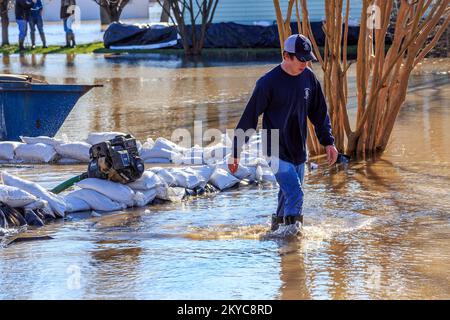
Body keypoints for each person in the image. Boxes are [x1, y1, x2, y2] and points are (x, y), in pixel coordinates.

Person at [229, 34, 338, 237]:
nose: (305, 63)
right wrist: (235, 151)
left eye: (307, 59)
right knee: (295, 194)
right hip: (275, 151)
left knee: (286, 195)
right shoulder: (268, 83)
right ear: (286, 56)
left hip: (298, 150)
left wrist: (328, 142)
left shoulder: (309, 79)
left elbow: (319, 113)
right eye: (301, 59)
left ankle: (276, 236)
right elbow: (249, 118)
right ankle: (292, 243)